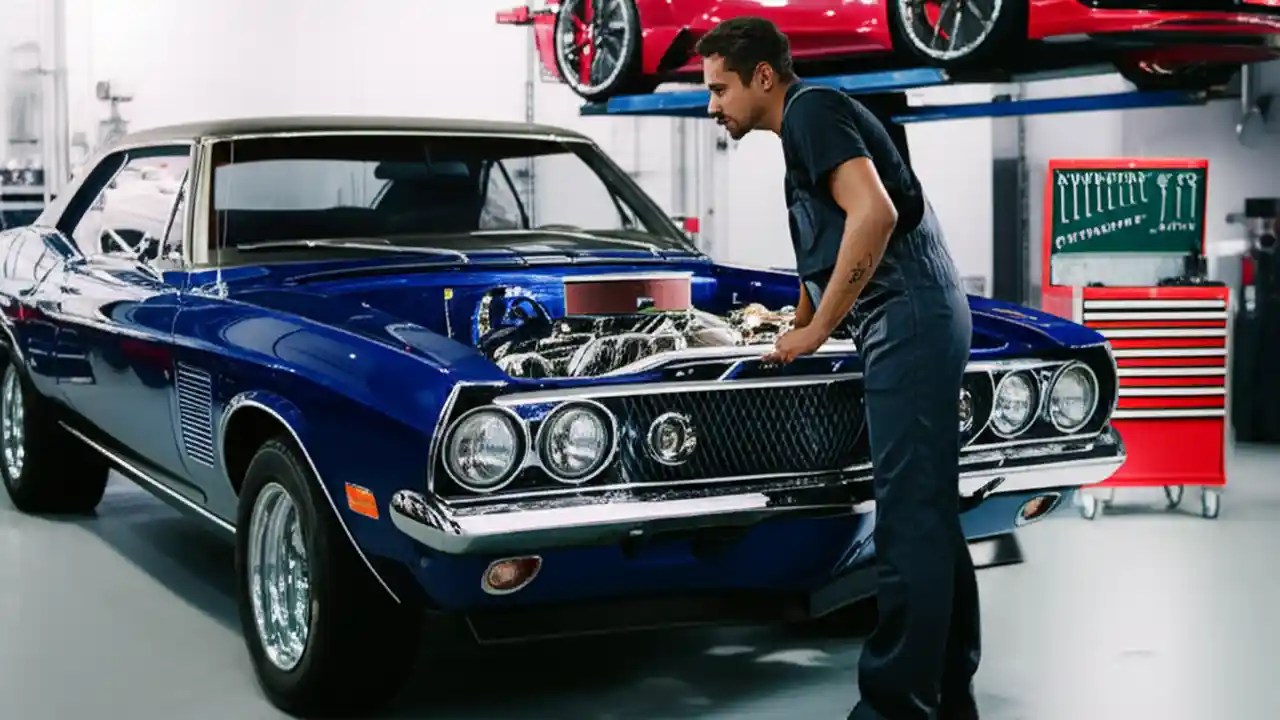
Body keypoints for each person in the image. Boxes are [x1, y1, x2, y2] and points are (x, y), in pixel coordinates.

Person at [695, 17, 980, 720]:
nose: (712, 105)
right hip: (907, 314)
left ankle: (894, 706)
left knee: (907, 522)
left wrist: (821, 330)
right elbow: (823, 247)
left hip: (906, 315)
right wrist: (795, 324)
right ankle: (947, 693)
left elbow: (873, 215)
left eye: (720, 89)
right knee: (928, 515)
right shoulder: (804, 127)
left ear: (764, 77)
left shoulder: (812, 112)